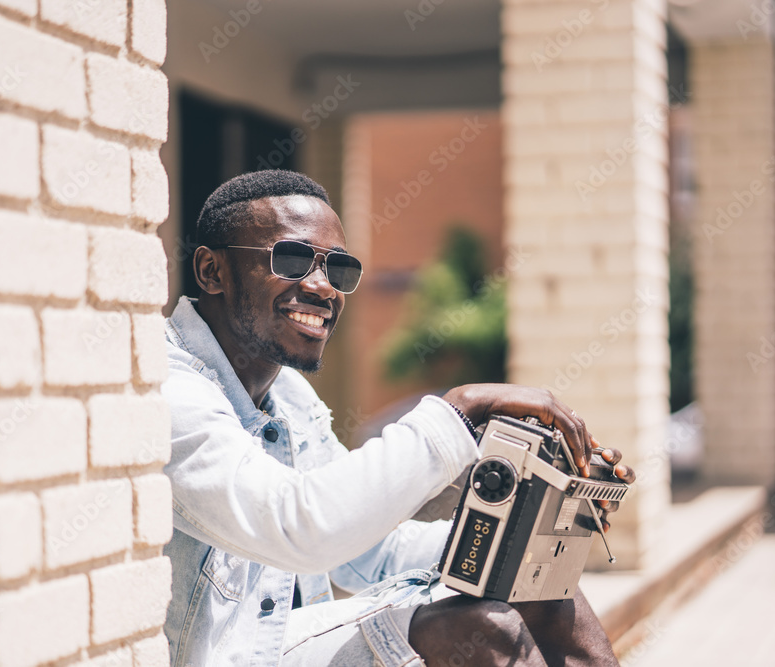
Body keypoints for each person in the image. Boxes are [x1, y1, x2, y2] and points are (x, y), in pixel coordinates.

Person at [161, 169, 636, 666]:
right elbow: (300, 526)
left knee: (535, 586)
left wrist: (524, 526)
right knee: (476, 628)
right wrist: (460, 409)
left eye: (338, 270)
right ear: (211, 271)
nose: (324, 287)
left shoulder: (290, 396)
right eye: (294, 259)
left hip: (277, 644)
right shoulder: (169, 390)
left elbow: (371, 554)